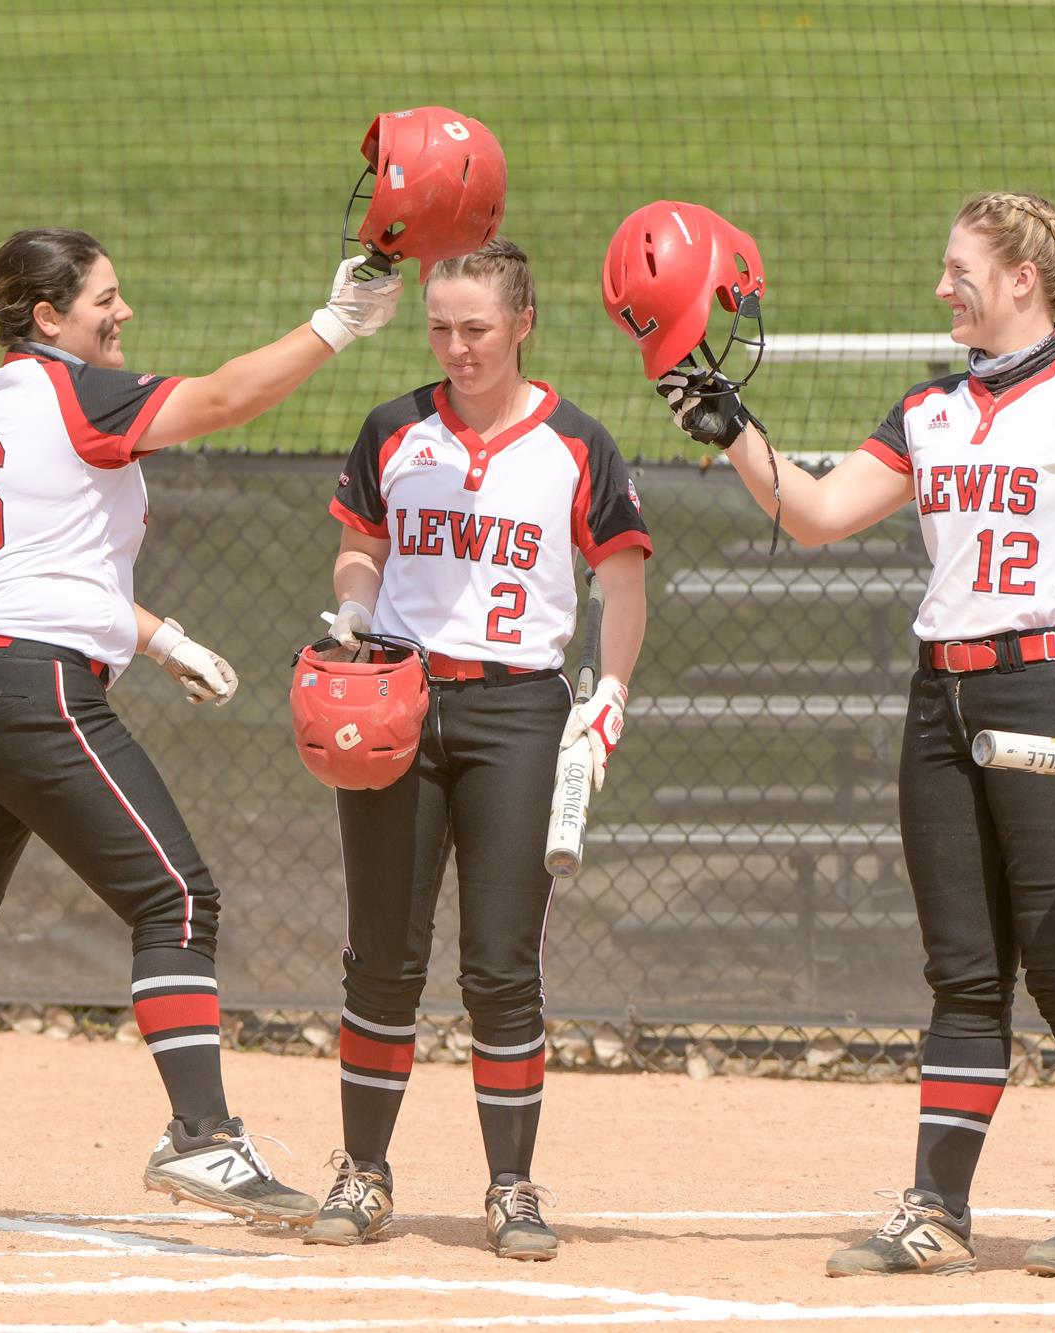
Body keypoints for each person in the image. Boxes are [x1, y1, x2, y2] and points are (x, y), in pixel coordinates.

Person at [0, 227, 403, 1234]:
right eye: (103, 300)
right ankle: (202, 1136)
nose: (122, 314)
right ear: (47, 317)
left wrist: (162, 640)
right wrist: (333, 324)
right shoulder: (70, 388)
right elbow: (219, 400)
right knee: (175, 895)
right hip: (26, 689)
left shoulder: (4, 401)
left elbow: (45, 562)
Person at [651, 192, 1055, 1278]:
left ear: (1019, 281)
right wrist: (732, 430)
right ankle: (935, 1208)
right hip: (941, 702)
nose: (940, 287)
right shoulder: (928, 409)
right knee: (959, 970)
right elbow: (813, 513)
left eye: (958, 270)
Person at [305, 239, 652, 1261]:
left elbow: (620, 581)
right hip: (401, 699)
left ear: (521, 324)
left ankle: (511, 1185)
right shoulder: (394, 430)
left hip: (519, 714)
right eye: (440, 328)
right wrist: (350, 612)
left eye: (476, 328)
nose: (456, 347)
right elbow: (360, 542)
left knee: (500, 966)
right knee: (381, 954)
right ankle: (363, 1171)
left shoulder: (575, 444)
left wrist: (611, 696)